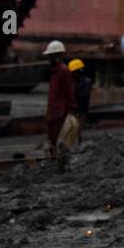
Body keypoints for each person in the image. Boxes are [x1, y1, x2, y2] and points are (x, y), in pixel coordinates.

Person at [43, 41, 75, 172]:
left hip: (60, 112)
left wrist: (72, 109)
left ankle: (60, 166)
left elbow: (69, 92)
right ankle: (54, 163)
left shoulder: (63, 71)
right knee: (52, 139)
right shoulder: (55, 71)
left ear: (58, 56)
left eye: (51, 56)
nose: (49, 58)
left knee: (59, 140)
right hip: (53, 111)